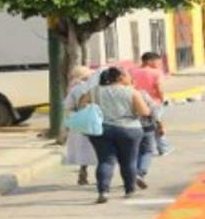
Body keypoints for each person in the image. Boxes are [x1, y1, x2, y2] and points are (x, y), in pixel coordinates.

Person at [77, 67, 151, 204]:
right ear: (120, 77)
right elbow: (144, 111)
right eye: (128, 75)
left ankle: (103, 191)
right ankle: (129, 190)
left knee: (105, 161)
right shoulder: (132, 92)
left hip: (101, 129)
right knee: (129, 161)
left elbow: (81, 105)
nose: (130, 78)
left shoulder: (95, 91)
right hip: (129, 129)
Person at [63, 66, 96, 186]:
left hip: (79, 121)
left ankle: (83, 170)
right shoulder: (95, 87)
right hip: (95, 120)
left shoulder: (74, 89)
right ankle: (102, 175)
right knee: (99, 149)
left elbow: (68, 106)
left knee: (82, 148)